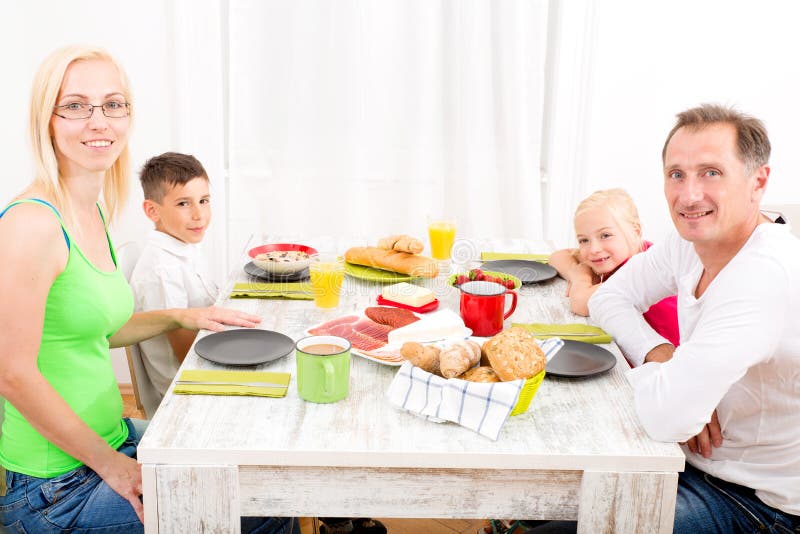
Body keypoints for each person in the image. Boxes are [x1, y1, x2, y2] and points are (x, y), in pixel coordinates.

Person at [0, 45, 297, 533]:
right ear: (46, 119)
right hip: (53, 489)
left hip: (112, 439)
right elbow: (12, 372)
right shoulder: (33, 223)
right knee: (259, 507)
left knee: (261, 468)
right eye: (75, 105)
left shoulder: (92, 213)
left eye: (113, 104)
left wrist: (182, 316)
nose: (99, 121)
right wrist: (112, 465)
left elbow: (99, 331)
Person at [588, 104, 800, 532]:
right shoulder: (690, 243)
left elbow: (668, 417)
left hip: (759, 504)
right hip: (685, 463)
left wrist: (672, 391)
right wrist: (660, 355)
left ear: (758, 182)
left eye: (711, 172)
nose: (688, 195)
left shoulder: (764, 274)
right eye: (676, 174)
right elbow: (607, 299)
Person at [129, 152, 218, 405]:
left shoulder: (184, 246)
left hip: (201, 360)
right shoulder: (162, 270)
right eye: (183, 204)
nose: (199, 214)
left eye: (204, 200)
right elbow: (186, 353)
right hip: (185, 391)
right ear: (152, 211)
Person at [549, 189, 679, 360]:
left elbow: (580, 302)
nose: (594, 249)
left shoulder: (640, 269)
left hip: (661, 364)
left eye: (605, 235)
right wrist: (579, 272)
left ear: (636, 231)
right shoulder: (629, 251)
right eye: (584, 240)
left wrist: (581, 277)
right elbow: (557, 256)